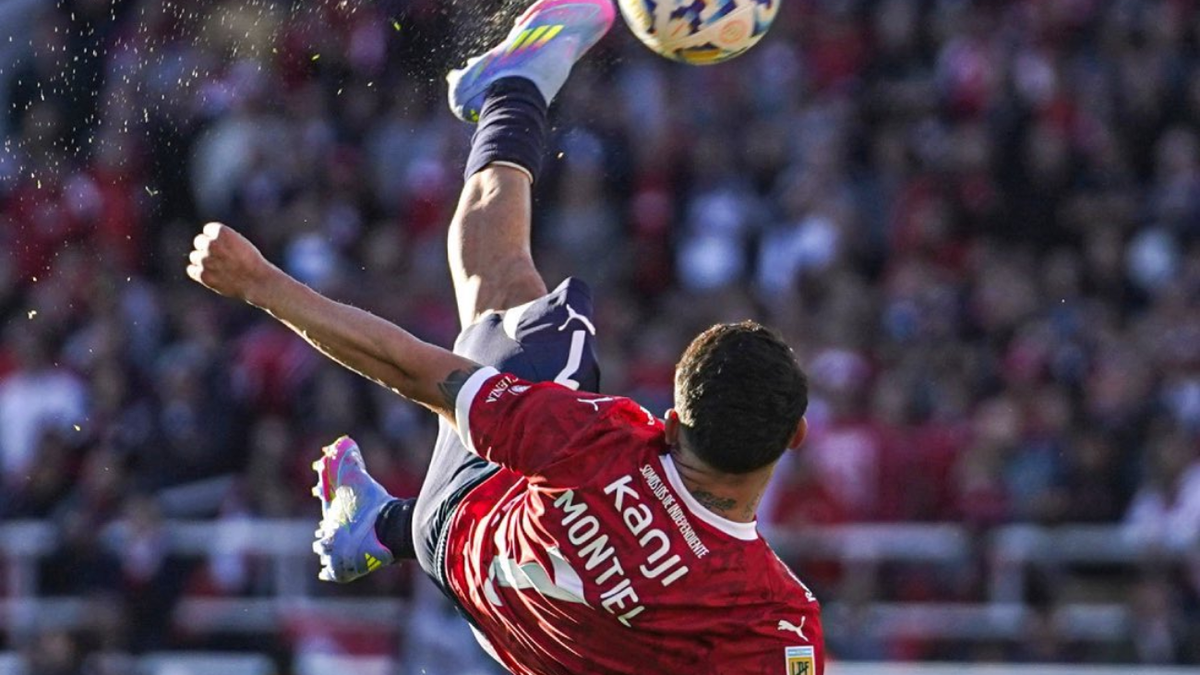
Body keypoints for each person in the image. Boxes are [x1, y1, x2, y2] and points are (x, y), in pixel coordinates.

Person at [186, 0, 824, 672]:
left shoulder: (597, 440)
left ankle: (517, 86)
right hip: (475, 582)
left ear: (669, 421)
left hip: (462, 532)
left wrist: (259, 284)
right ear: (795, 436)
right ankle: (377, 526)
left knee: (511, 293)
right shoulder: (772, 618)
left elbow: (410, 369)